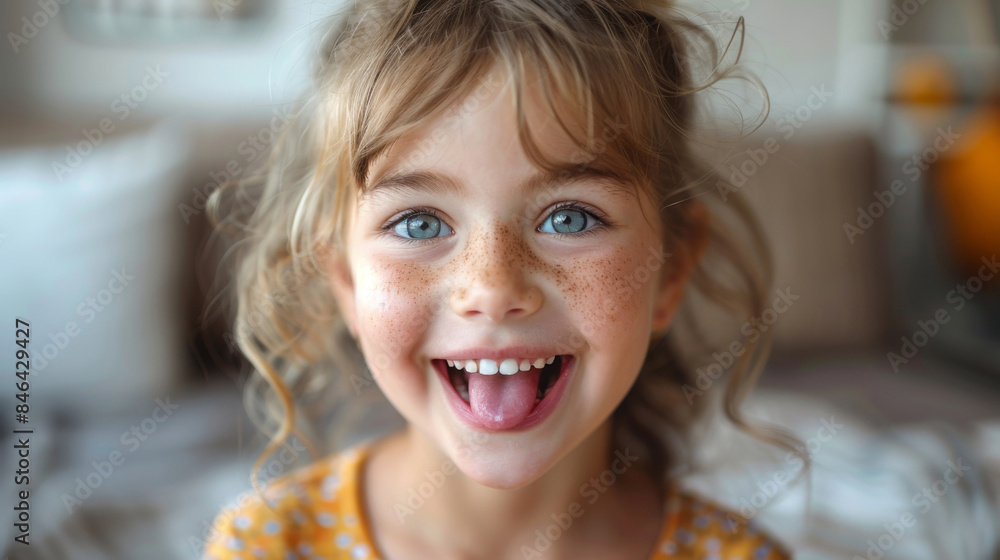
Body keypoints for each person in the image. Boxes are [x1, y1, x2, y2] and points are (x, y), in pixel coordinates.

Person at [201, 0, 797, 558]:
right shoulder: (269, 544)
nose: (492, 287)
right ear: (347, 283)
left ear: (670, 271)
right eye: (417, 223)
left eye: (570, 217)